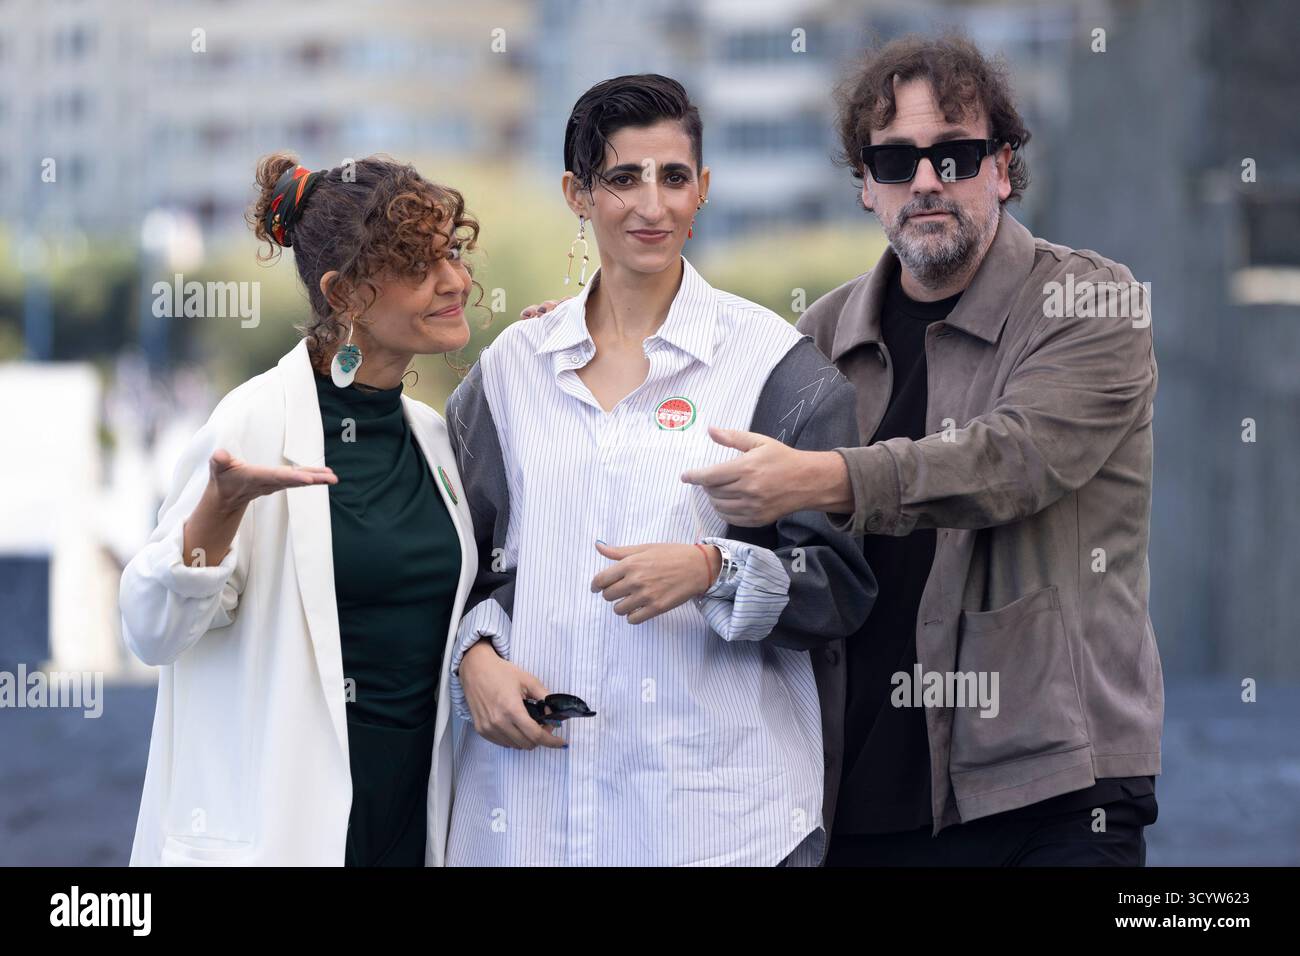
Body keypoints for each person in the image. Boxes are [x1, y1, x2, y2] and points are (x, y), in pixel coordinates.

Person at [682, 34, 1163, 866]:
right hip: (856, 800)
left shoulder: (1091, 301)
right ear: (866, 186)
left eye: (957, 154)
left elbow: (1011, 460)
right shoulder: (819, 337)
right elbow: (704, 465)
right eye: (897, 161)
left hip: (1050, 789)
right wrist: (593, 325)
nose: (928, 181)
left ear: (1003, 168)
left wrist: (826, 477)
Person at [445, 74, 874, 866]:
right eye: (622, 178)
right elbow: (453, 565)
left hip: (721, 828)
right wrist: (475, 660)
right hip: (529, 818)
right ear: (577, 193)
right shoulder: (509, 373)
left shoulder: (780, 370)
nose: (653, 206)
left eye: (674, 177)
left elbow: (841, 589)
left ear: (703, 188)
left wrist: (712, 568)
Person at [120, 152, 481, 865]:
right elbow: (149, 627)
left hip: (410, 833)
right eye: (419, 267)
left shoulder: (437, 441)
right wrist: (219, 511)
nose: (455, 283)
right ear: (343, 292)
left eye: (453, 255)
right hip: (282, 837)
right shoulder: (253, 423)